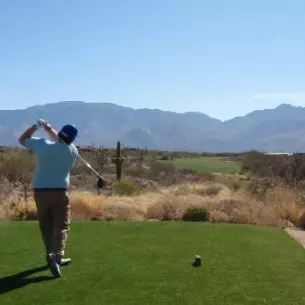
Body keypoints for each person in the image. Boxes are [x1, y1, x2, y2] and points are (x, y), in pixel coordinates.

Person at [18, 119, 78, 278]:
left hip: (40, 192)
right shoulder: (72, 151)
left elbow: (22, 139)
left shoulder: (41, 145)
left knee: (46, 226)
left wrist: (37, 126)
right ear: (72, 139)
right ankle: (56, 256)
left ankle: (51, 256)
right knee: (61, 226)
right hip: (59, 192)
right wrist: (51, 130)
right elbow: (60, 140)